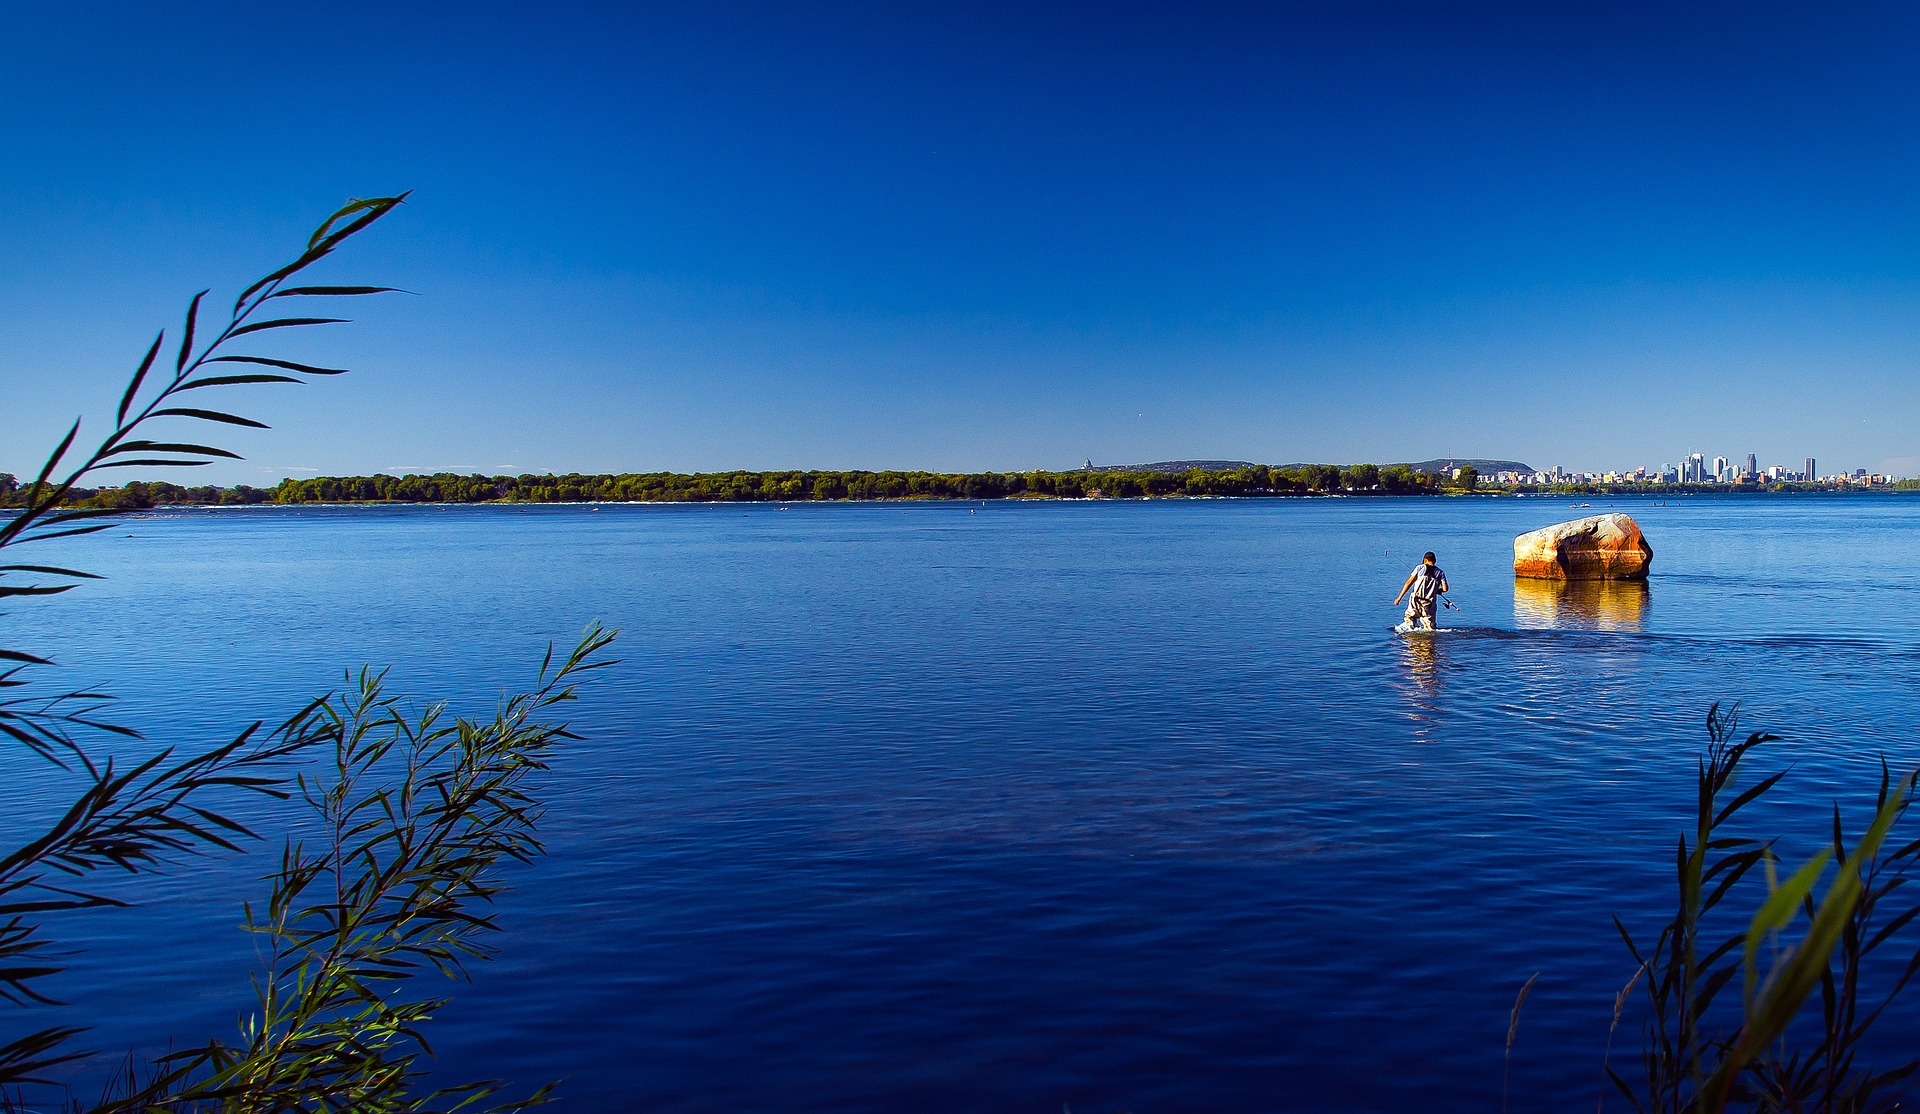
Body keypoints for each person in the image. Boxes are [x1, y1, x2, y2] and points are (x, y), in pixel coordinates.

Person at [1393, 551, 1449, 630]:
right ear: (1435, 560)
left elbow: (1408, 583)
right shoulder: (1440, 573)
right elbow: (1445, 589)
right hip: (1429, 604)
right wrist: (1438, 590)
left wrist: (1399, 598)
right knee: (1429, 628)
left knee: (1410, 620)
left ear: (1425, 560)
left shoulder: (1419, 568)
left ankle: (1412, 639)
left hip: (1415, 600)